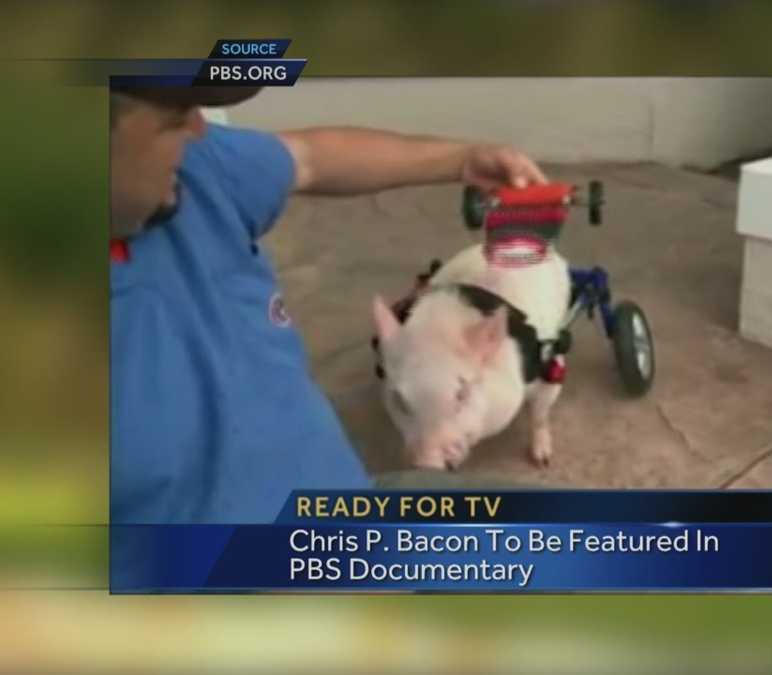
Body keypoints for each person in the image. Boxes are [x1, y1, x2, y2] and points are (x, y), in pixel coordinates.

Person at [109, 86, 549, 524]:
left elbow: (308, 158)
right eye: (172, 118)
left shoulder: (198, 168)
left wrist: (462, 160)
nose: (198, 127)